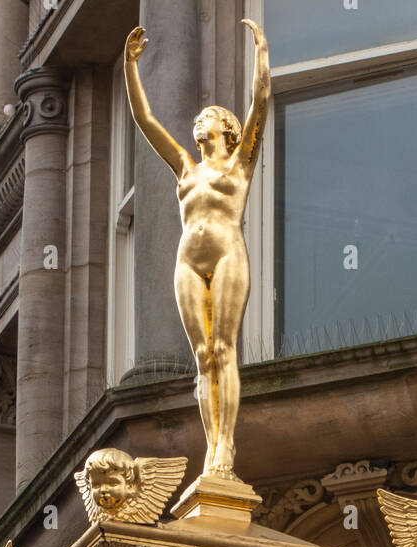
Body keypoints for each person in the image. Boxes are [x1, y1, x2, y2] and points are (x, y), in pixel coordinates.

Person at [124, 20, 270, 478]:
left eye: (205, 117)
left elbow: (260, 102)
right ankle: (211, 448)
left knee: (224, 347)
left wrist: (261, 53)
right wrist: (130, 66)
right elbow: (145, 121)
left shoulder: (242, 162)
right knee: (202, 356)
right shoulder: (185, 167)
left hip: (228, 252)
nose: (197, 122)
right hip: (188, 257)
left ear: (225, 128)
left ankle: (225, 446)